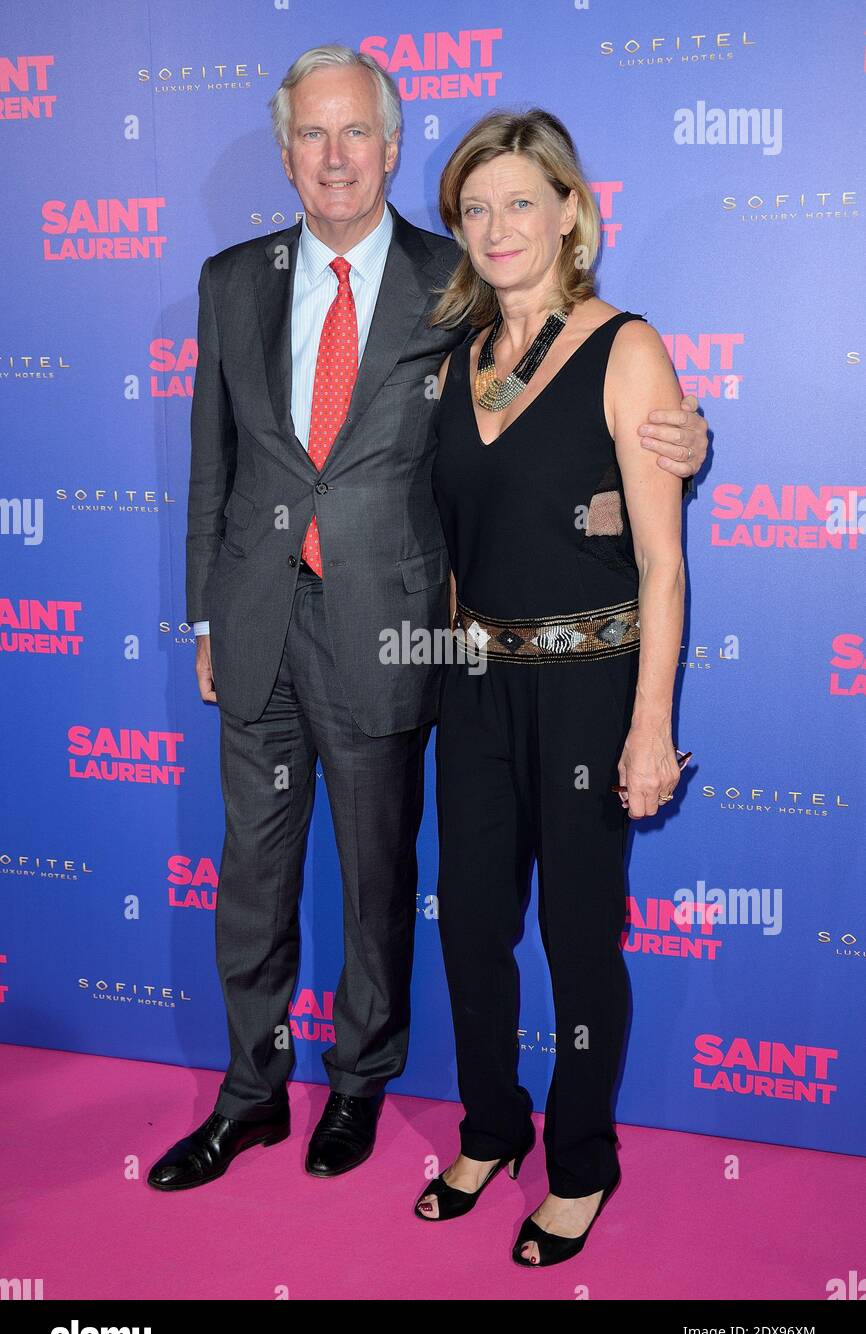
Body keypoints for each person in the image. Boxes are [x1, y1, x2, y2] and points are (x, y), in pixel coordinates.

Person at [148, 48, 706, 1194]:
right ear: (286, 149)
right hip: (263, 633)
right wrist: (205, 620)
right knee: (251, 879)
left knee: (377, 881)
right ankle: (250, 1093)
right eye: (313, 134)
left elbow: (563, 389)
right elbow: (214, 466)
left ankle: (360, 1084)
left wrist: (682, 443)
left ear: (393, 150)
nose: (336, 156)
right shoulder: (229, 281)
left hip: (394, 638)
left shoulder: (452, 279)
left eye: (358, 134)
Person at [414, 107, 688, 1267]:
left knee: (578, 941)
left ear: (570, 211)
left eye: (519, 200)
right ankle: (487, 1128)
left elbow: (662, 561)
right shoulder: (451, 358)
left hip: (590, 688)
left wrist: (648, 731)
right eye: (473, 207)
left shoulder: (625, 347)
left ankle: (580, 1161)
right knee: (471, 928)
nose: (495, 225)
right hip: (473, 686)